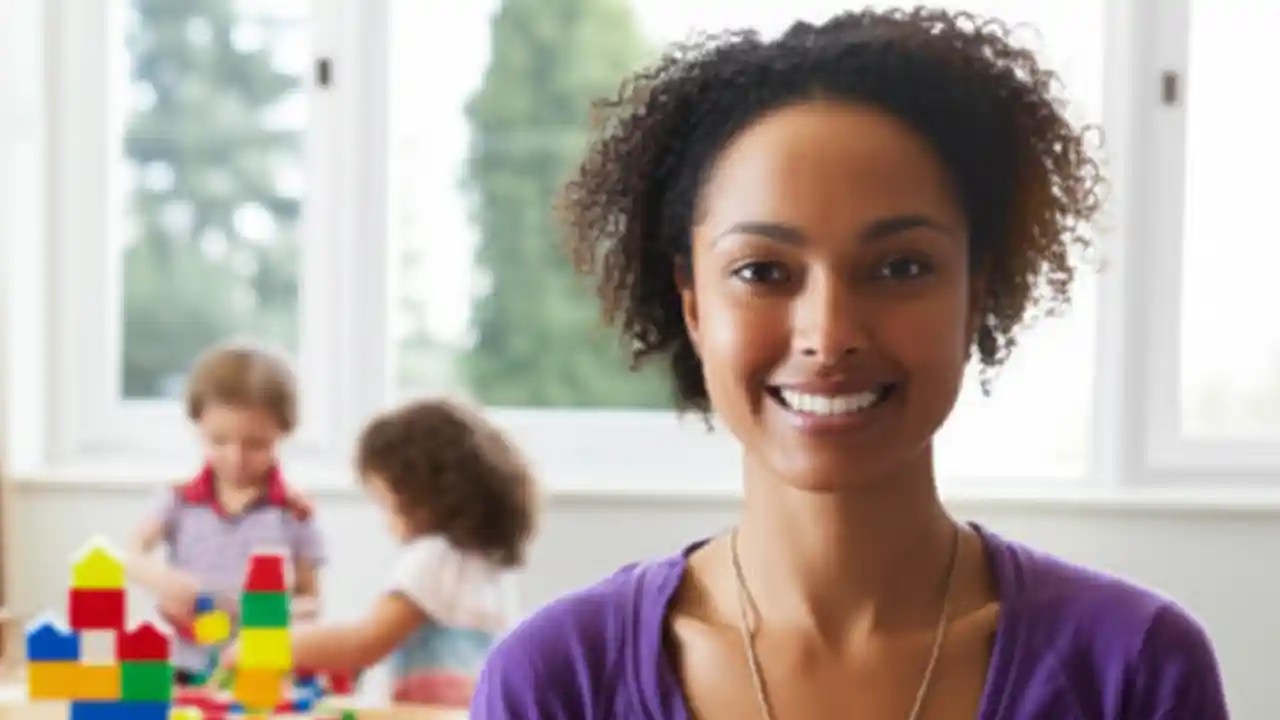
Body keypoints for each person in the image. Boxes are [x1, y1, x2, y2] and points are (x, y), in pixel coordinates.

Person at [471, 8, 1229, 719]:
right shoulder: (557, 680)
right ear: (692, 302)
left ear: (977, 294)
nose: (828, 335)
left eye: (900, 268)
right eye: (763, 271)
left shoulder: (1132, 668)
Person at [223, 397, 538, 709]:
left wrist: (260, 646)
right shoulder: (484, 564)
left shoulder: (434, 558)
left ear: (421, 498)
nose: (387, 522)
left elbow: (365, 641)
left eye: (387, 505)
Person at [127, 342, 325, 683]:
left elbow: (312, 603)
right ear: (198, 426)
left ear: (284, 432)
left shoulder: (295, 513)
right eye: (218, 441)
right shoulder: (178, 500)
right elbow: (130, 555)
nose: (235, 457)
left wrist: (263, 613)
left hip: (264, 671)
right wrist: (162, 581)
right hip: (186, 667)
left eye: (256, 444)